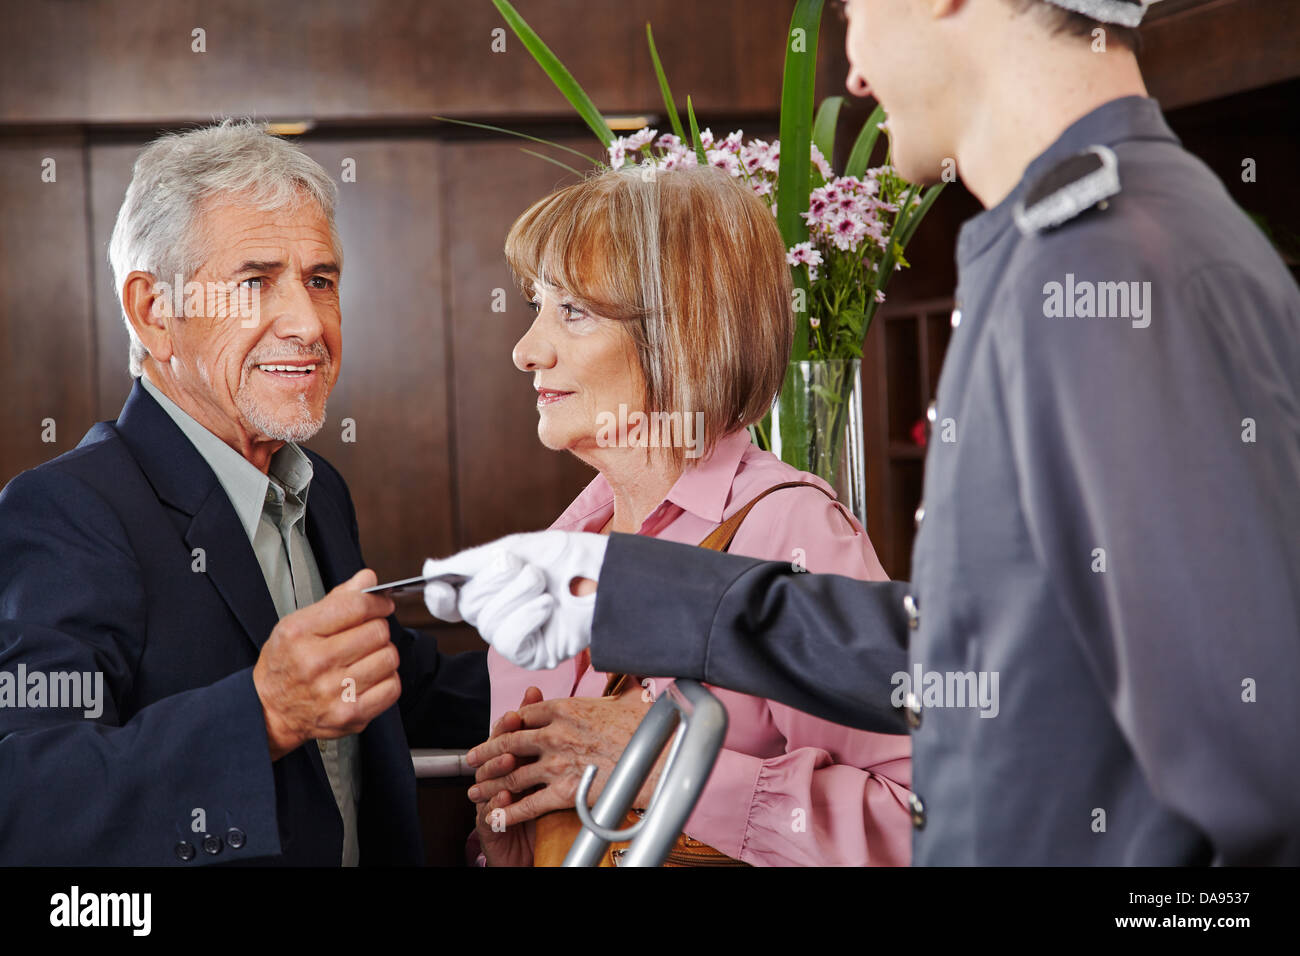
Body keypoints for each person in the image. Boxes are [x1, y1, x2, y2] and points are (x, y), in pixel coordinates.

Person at [425, 0, 1300, 865]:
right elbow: (968, 657)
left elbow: (1243, 758)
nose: (851, 67)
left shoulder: (1111, 262)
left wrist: (671, 763)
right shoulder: (1063, 248)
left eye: (853, 9)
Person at [0, 119, 488, 866]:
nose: (307, 324)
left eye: (320, 281)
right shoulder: (67, 512)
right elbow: (29, 799)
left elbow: (394, 679)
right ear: (151, 310)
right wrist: (261, 713)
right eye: (254, 282)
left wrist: (611, 672)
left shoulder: (317, 486)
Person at [461, 164, 912, 866]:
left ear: (684, 332)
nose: (527, 351)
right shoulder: (564, 539)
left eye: (572, 311)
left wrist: (664, 765)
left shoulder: (787, 531)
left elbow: (920, 823)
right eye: (535, 307)